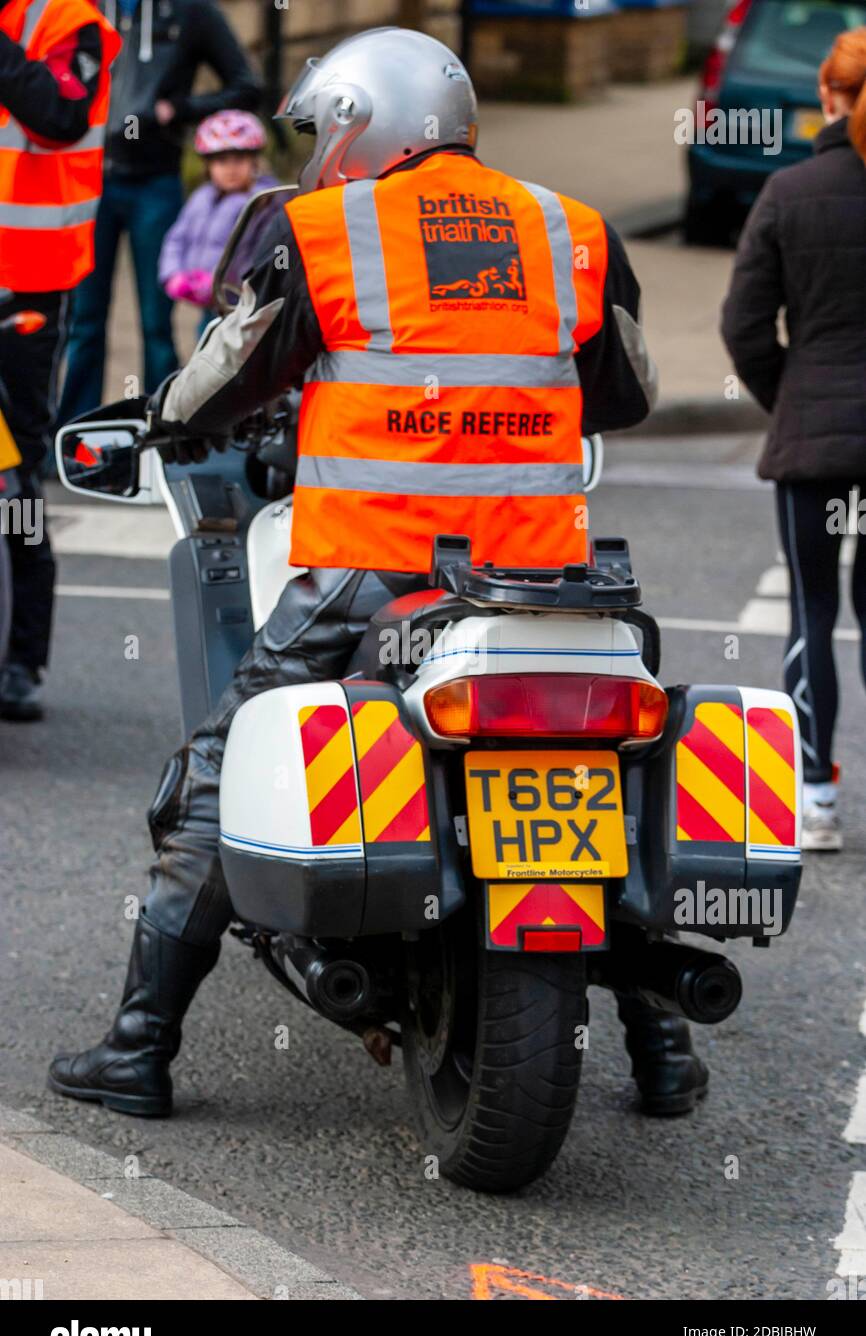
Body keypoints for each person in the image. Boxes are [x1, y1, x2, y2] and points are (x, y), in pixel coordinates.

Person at [49, 28, 705, 1123]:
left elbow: (227, 376)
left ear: (365, 122)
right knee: (617, 759)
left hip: (370, 567)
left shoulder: (324, 228)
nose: (319, 152)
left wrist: (158, 418)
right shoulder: (569, 229)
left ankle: (138, 1049)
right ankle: (661, 1049)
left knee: (218, 769)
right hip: (541, 578)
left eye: (326, 129)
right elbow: (626, 390)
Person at [722, 26, 866, 852]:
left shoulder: (789, 190)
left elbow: (743, 325)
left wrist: (794, 399)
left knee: (812, 612)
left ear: (827, 96)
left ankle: (815, 797)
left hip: (816, 448)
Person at [0, 0, 121, 721]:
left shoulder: (65, 21)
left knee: (14, 474)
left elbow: (59, 114)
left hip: (29, 284)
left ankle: (20, 660)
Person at [58, 0, 261, 423]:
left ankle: (162, 429)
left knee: (155, 324)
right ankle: (75, 435)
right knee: (84, 322)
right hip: (90, 179)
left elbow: (246, 85)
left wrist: (178, 110)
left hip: (156, 181)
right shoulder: (84, 7)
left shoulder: (193, 12)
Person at [159, 110, 277, 330]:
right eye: (222, 161)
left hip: (245, 309)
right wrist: (173, 274)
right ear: (208, 165)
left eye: (239, 159)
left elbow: (258, 255)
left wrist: (222, 282)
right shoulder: (201, 198)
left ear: (255, 161)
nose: (231, 168)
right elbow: (177, 237)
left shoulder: (264, 202)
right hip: (210, 307)